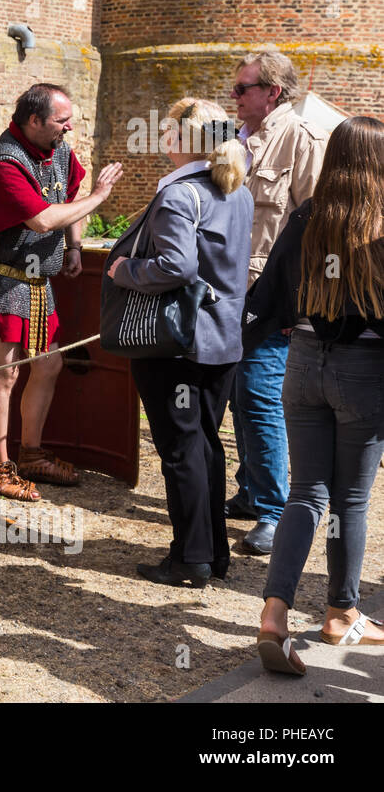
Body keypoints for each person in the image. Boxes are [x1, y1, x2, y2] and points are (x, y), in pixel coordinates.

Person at [247, 115, 384, 674]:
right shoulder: (379, 223)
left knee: (305, 494)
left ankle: (274, 615)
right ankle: (340, 611)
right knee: (349, 499)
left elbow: (267, 295)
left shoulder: (307, 217)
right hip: (364, 370)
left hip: (302, 365)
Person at [104, 98, 252, 587]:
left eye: (168, 128)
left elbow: (176, 267)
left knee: (181, 448)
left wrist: (126, 270)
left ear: (185, 139)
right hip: (222, 337)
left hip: (176, 342)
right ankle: (212, 553)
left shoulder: (178, 195)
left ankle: (190, 558)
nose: (162, 135)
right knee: (206, 444)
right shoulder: (236, 191)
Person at [0, 84, 122, 501]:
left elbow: (70, 202)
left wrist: (75, 246)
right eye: (61, 120)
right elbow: (44, 220)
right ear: (34, 120)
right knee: (4, 376)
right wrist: (100, 197)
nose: (69, 127)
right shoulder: (4, 163)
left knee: (49, 367)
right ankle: (1, 468)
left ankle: (30, 453)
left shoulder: (59, 151)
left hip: (38, 283)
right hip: (3, 282)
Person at [226, 51, 328, 555]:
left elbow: (319, 232)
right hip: (230, 293)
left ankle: (273, 509)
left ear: (273, 93)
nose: (234, 96)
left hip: (272, 301)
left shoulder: (305, 142)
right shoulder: (237, 141)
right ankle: (250, 492)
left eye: (243, 88)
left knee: (261, 398)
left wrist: (298, 306)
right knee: (238, 395)